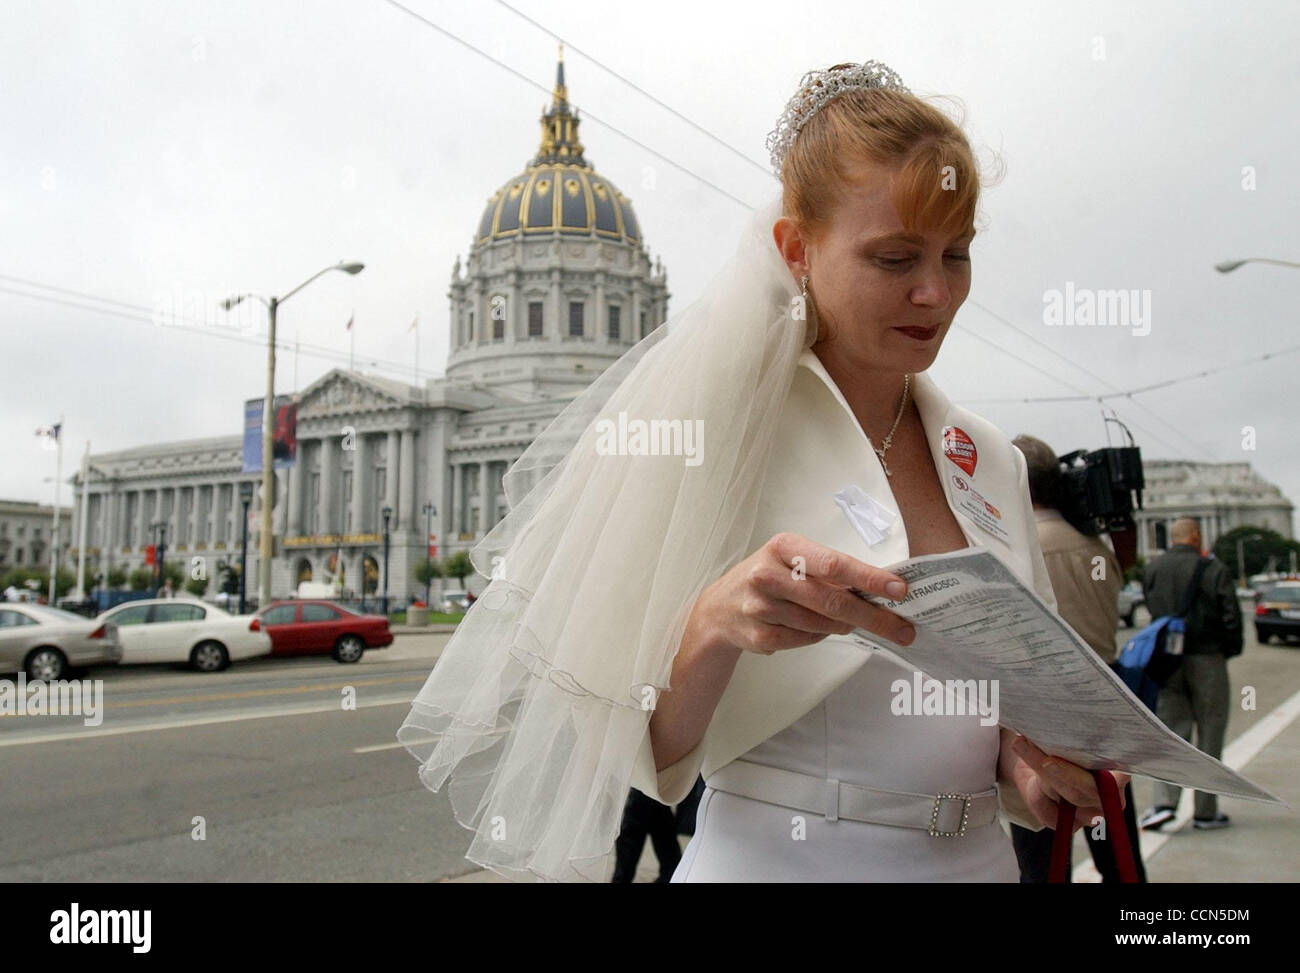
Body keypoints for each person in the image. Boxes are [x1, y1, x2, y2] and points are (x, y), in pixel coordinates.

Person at [399, 60, 1126, 882]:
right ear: (796, 249)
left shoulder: (988, 455)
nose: (935, 293)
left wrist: (1030, 771)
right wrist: (716, 619)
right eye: (894, 259)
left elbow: (992, 725)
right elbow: (649, 755)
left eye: (954, 255)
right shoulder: (710, 432)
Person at [1009, 435, 1146, 883]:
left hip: (1044, 712)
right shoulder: (1098, 550)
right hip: (1109, 708)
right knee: (1121, 857)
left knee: (1044, 860)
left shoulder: (1016, 552)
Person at [1138, 517, 1241, 832]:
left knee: (1172, 734)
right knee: (1210, 732)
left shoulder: (1153, 569)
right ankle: (1206, 812)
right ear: (1195, 537)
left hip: (1168, 661)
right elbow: (1231, 617)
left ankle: (1165, 803)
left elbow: (1151, 606)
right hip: (1207, 657)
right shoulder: (1213, 569)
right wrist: (1227, 649)